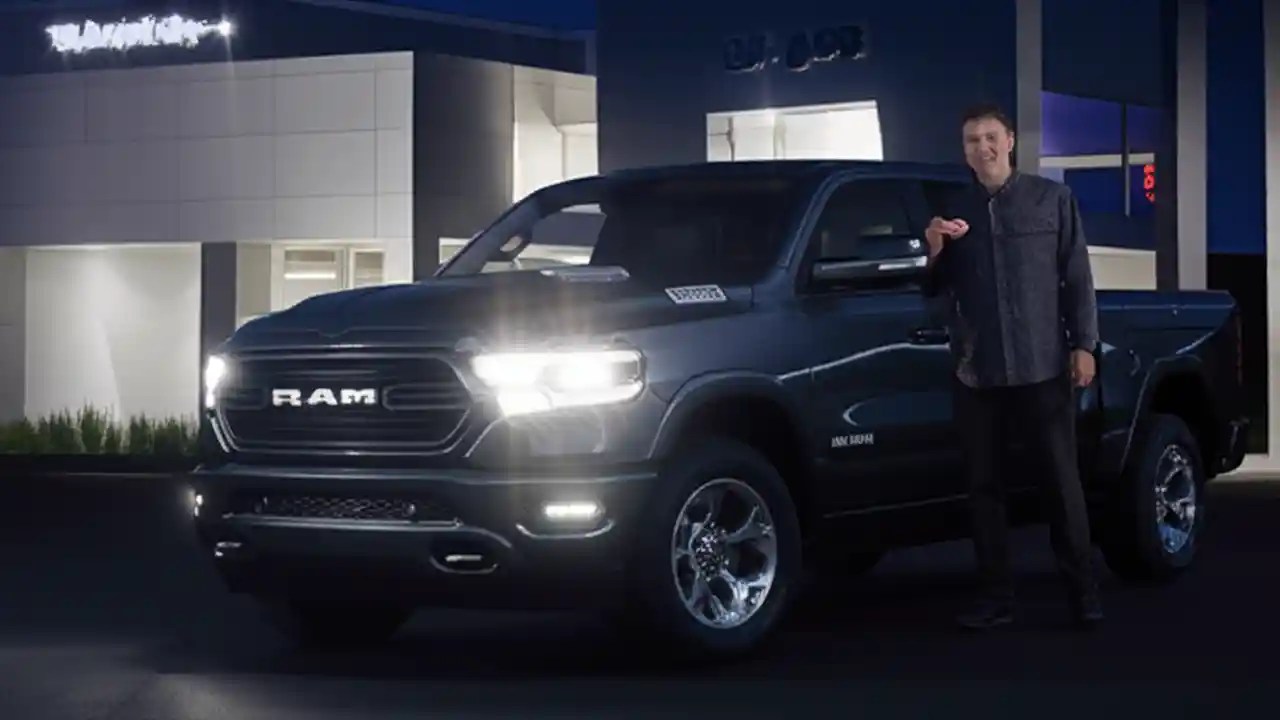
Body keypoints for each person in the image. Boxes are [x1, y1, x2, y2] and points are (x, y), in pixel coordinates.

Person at [922, 104, 1105, 631]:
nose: (981, 147)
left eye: (989, 137)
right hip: (976, 372)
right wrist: (933, 250)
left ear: (1010, 141)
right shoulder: (953, 210)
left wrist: (1084, 345)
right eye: (971, 140)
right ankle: (996, 597)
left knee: (1060, 483)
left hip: (1043, 366)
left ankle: (1083, 592)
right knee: (983, 488)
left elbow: (1077, 278)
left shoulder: (1052, 200)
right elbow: (934, 293)